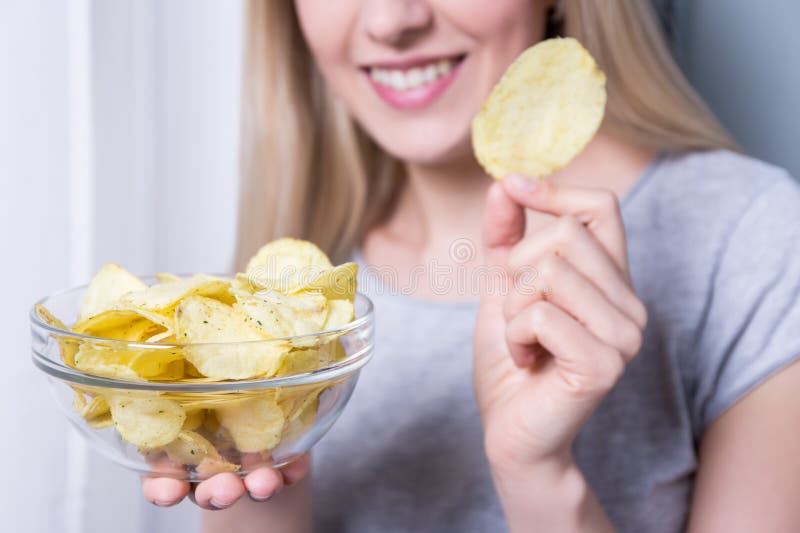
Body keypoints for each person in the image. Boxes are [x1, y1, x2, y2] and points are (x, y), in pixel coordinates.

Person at [142, 1, 800, 531]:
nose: (390, 21)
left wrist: (537, 475)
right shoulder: (288, 301)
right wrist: (265, 487)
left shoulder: (748, 240)